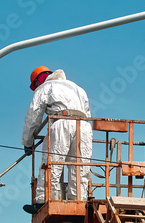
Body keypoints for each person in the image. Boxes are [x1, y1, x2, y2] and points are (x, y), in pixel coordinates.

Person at [21, 66, 93, 214]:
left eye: (35, 85)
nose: (36, 88)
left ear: (39, 79)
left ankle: (43, 200)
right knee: (80, 166)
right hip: (84, 126)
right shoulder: (77, 88)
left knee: (51, 164)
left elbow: (33, 116)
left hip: (61, 122)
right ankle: (79, 201)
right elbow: (87, 111)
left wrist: (28, 143)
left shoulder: (46, 87)